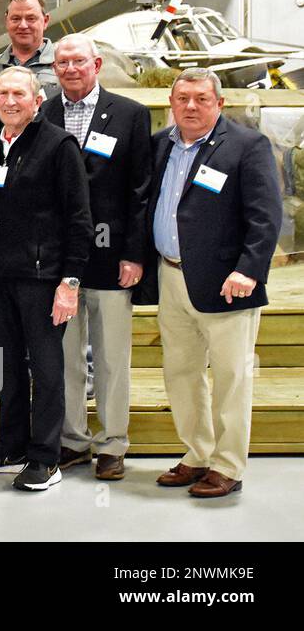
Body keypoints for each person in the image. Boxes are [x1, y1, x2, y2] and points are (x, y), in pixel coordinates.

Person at [144, 68, 282, 498]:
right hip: (171, 276)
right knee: (181, 373)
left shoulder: (247, 145)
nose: (191, 106)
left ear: (219, 103)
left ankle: (228, 465)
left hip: (228, 283)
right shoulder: (159, 145)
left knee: (230, 377)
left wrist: (249, 269)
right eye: (183, 98)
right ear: (171, 103)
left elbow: (266, 216)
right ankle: (198, 454)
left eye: (201, 99)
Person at [0, 66, 91, 492]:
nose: (10, 101)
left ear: (37, 101)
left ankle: (45, 458)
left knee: (47, 370)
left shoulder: (58, 145)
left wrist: (70, 281)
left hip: (43, 278)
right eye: (3, 94)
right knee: (6, 366)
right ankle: (11, 447)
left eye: (19, 94)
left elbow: (79, 219)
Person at [41, 34, 151, 481]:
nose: (70, 69)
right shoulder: (43, 112)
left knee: (110, 358)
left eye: (78, 61)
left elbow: (141, 190)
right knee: (65, 355)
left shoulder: (130, 114)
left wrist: (134, 253)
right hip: (57, 259)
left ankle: (112, 444)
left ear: (97, 64)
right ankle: (72, 439)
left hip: (111, 256)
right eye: (62, 62)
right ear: (54, 69)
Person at [0, 0, 59, 100]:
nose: (23, 25)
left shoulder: (64, 66)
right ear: (6, 21)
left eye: (31, 18)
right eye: (16, 19)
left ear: (45, 21)